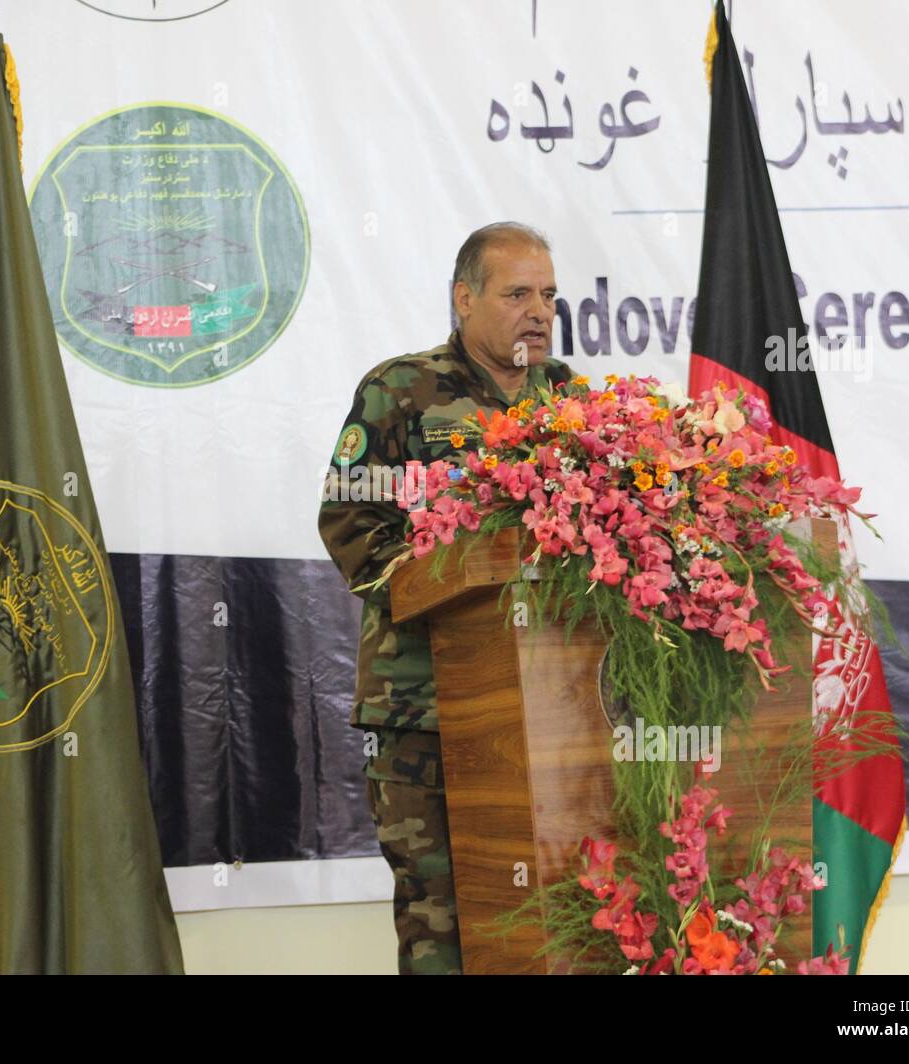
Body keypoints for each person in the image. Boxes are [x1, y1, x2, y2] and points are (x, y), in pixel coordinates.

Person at [317, 221, 576, 974]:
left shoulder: (570, 401)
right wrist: (450, 579)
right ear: (464, 298)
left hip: (548, 715)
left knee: (545, 922)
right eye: (518, 293)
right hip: (424, 711)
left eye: (550, 296)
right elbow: (350, 523)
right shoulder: (402, 391)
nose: (539, 311)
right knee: (443, 929)